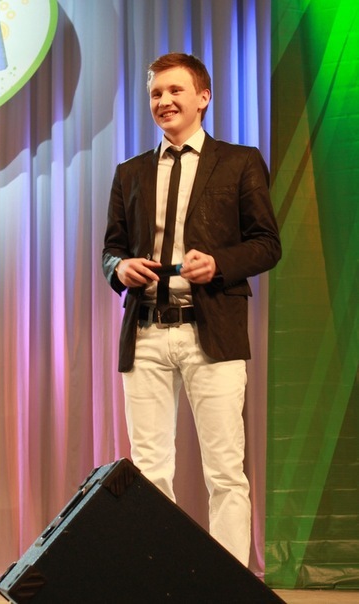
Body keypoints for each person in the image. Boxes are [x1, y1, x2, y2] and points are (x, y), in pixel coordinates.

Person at [102, 52, 281, 566]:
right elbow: (111, 249)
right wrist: (119, 268)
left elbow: (267, 244)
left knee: (224, 469)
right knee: (149, 469)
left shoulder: (240, 161)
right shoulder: (130, 172)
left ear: (203, 97)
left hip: (212, 331)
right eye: (156, 93)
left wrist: (220, 263)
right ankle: (160, 578)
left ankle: (228, 585)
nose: (164, 100)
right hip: (146, 332)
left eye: (175, 90)